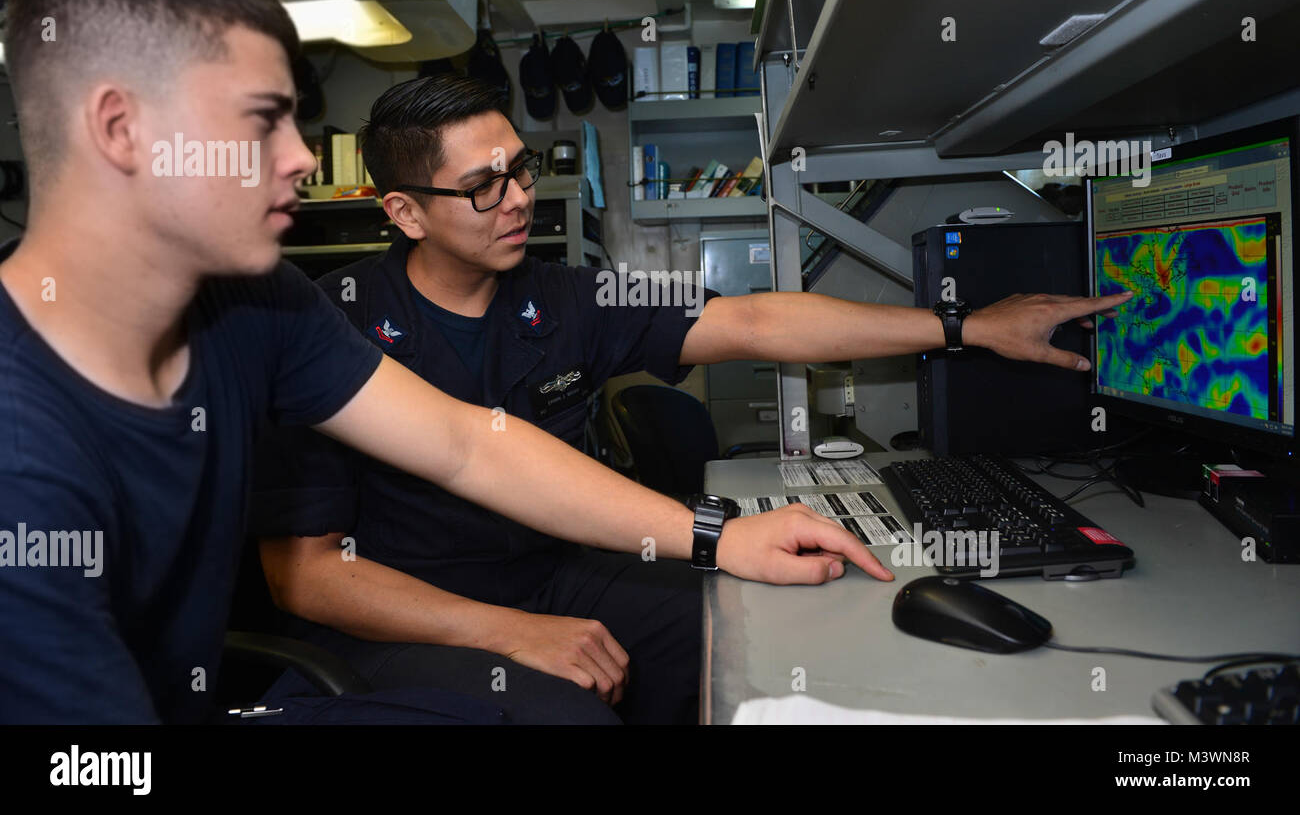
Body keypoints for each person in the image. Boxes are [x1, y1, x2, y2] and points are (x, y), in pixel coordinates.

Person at [0, 0, 974, 725]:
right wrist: (501, 629)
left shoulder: (258, 307)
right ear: (121, 129)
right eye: (263, 121)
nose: (302, 158)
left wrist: (720, 536)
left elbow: (469, 444)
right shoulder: (22, 454)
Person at [254, 73, 1132, 723]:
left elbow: (754, 321)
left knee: (735, 623)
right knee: (565, 711)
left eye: (520, 170)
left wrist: (965, 326)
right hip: (410, 611)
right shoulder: (334, 333)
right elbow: (303, 574)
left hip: (553, 568)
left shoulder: (565, 298)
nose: (519, 198)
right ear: (405, 213)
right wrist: (505, 632)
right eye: (485, 188)